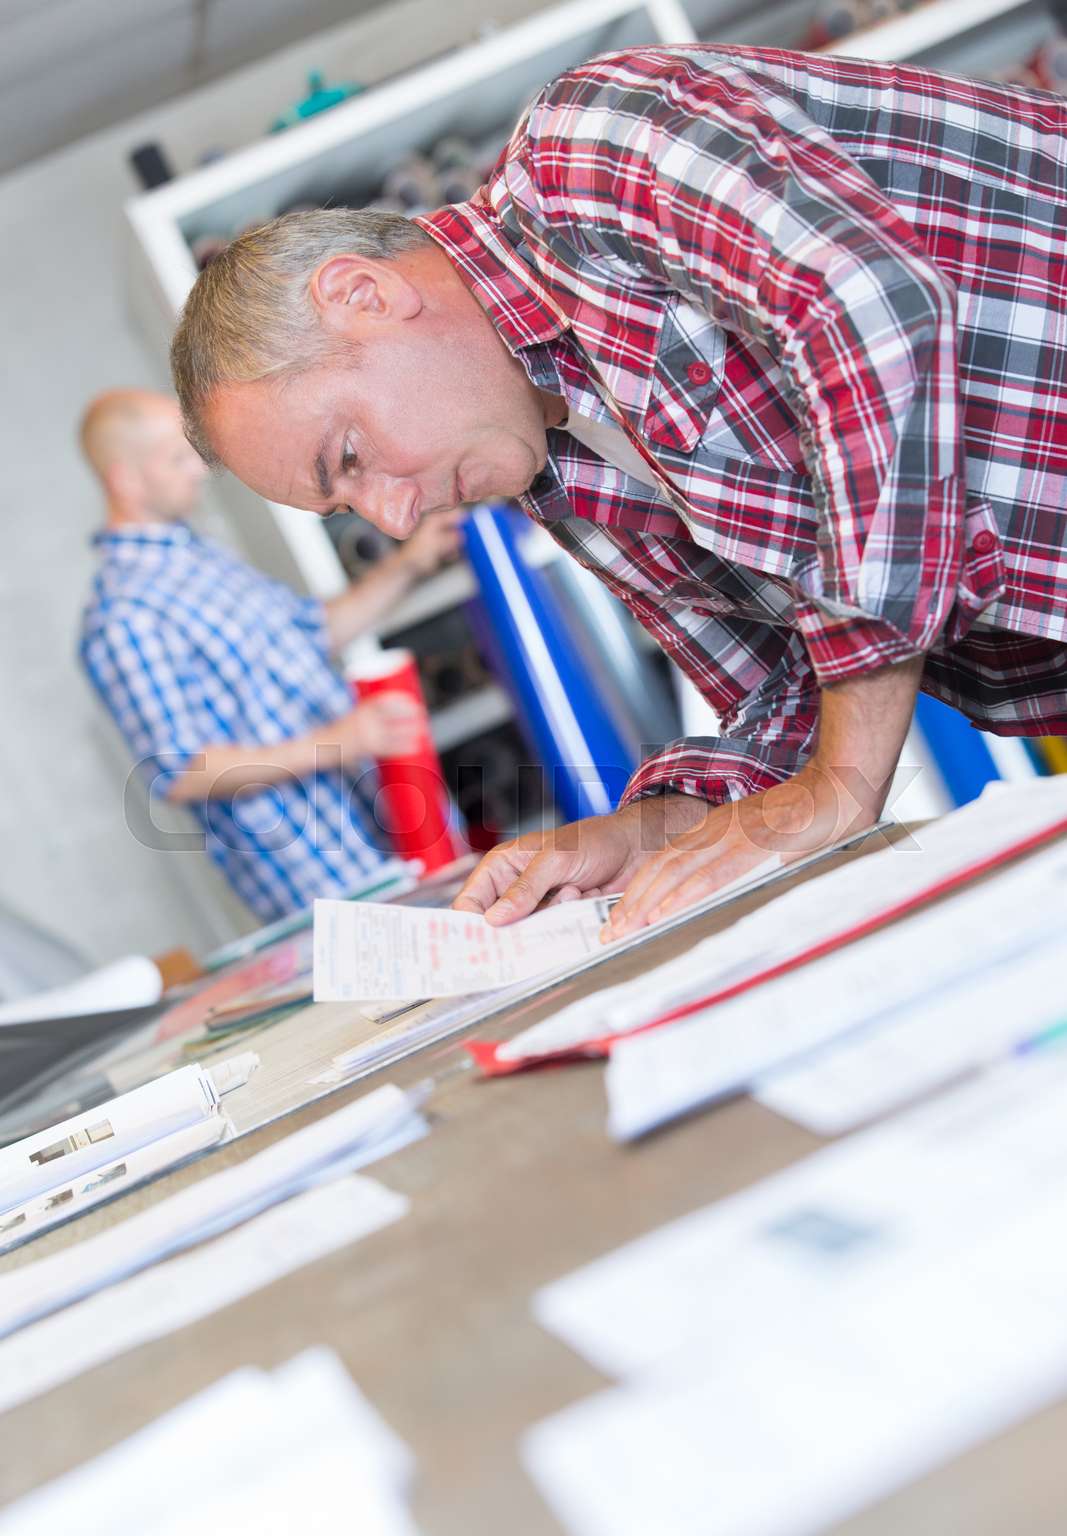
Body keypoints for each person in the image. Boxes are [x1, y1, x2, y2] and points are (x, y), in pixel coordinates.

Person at [168, 45, 1067, 940]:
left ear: (363, 294)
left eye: (351, 457)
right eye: (346, 510)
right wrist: (645, 830)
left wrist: (840, 785)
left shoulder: (591, 146)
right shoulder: (552, 462)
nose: (396, 518)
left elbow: (874, 315)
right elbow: (790, 689)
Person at [79, 389, 459, 921]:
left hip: (386, 827)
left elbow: (310, 636)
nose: (200, 469)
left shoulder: (199, 557)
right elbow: (183, 772)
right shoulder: (124, 616)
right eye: (177, 457)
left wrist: (411, 564)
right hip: (323, 875)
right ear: (124, 478)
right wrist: (343, 741)